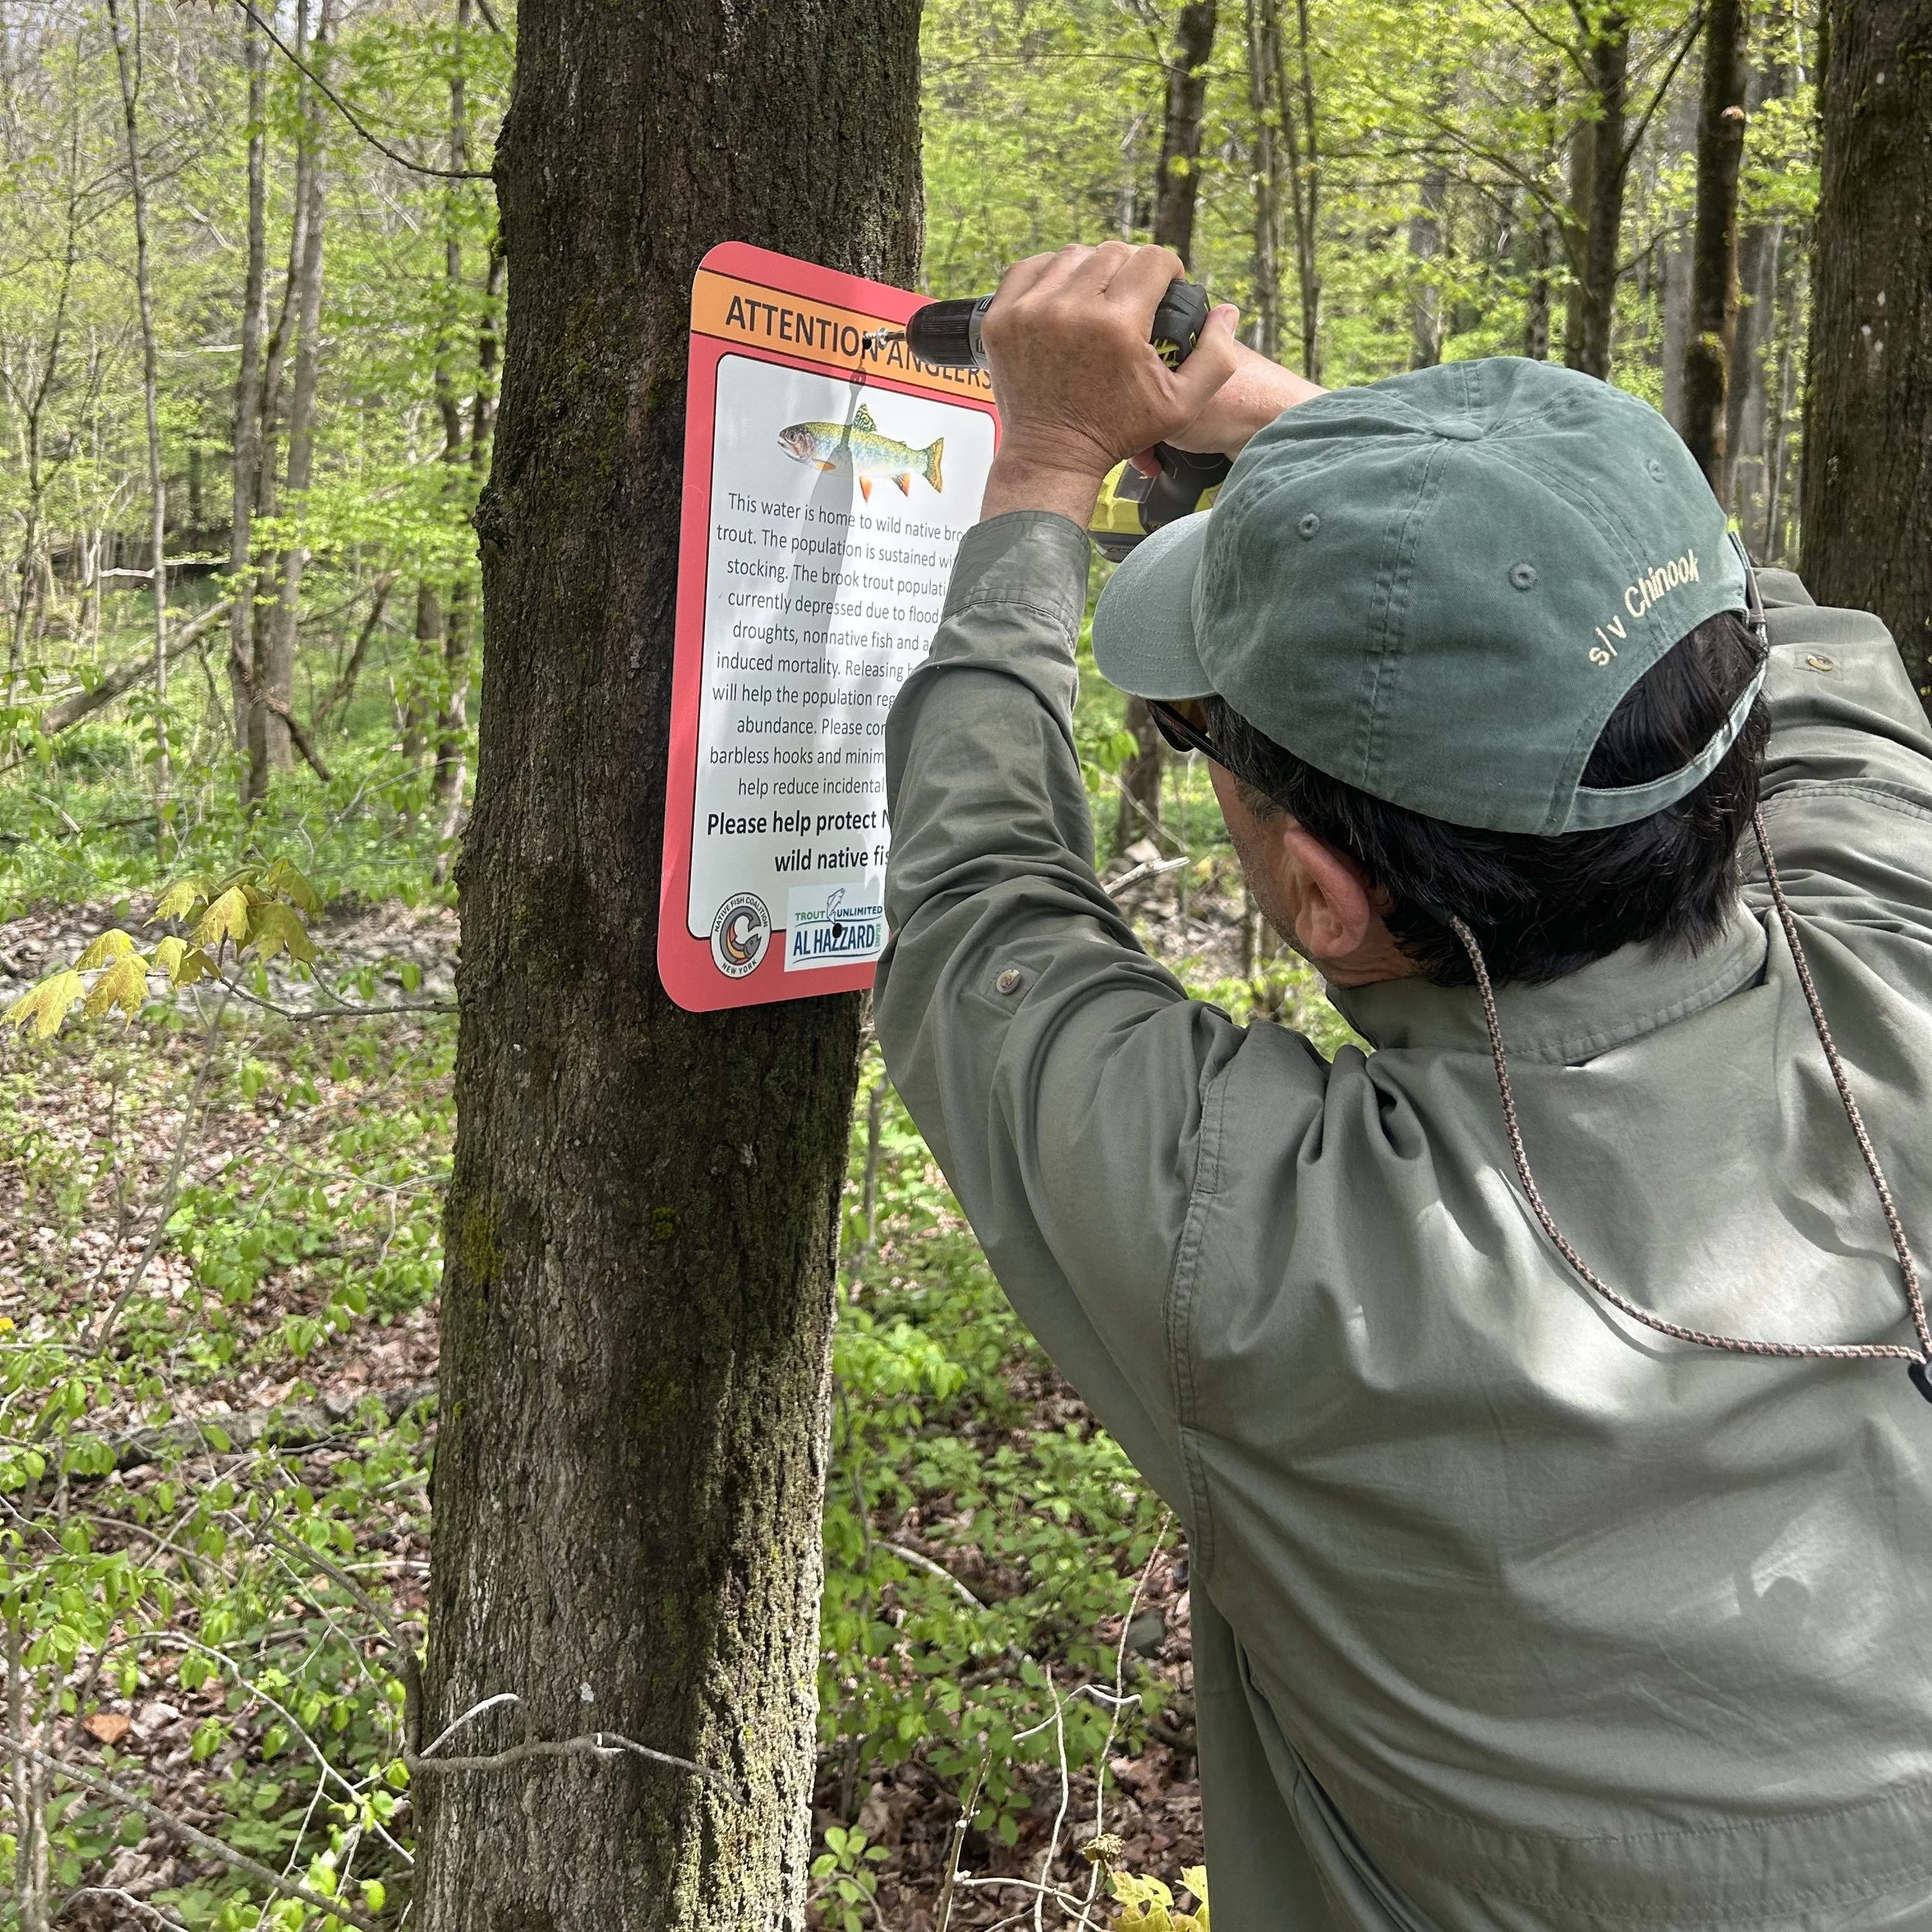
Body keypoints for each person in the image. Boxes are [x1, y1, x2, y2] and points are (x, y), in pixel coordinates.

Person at [874, 240, 1932, 1932]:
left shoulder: (1279, 1247)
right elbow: (1768, 638)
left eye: (1192, 736)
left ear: (1323, 898)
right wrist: (1336, 449)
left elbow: (978, 903)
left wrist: (1043, 468)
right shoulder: (1890, 950)